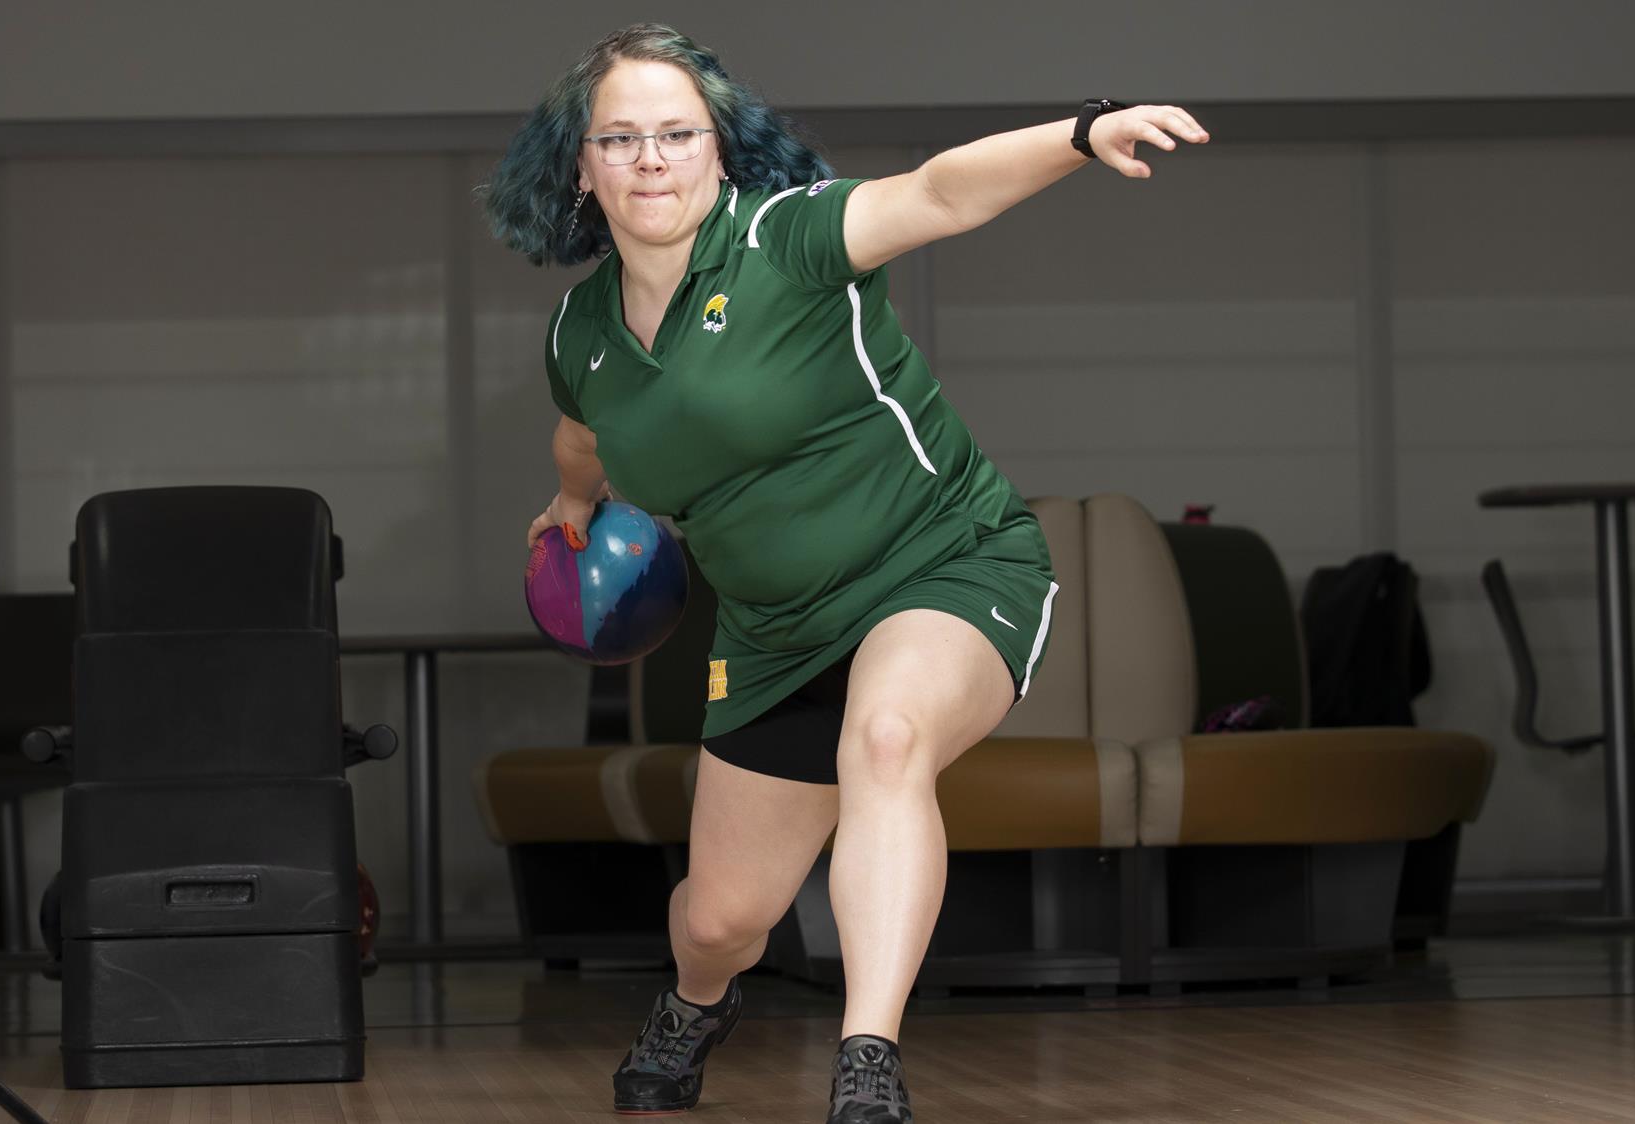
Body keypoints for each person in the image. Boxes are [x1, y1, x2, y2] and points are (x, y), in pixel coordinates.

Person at [485, 24, 1207, 1124]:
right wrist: (574, 504)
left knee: (885, 737)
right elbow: (584, 436)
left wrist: (1079, 130)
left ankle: (865, 1056)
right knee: (720, 918)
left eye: (675, 133)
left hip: (943, 564)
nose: (648, 158)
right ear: (578, 164)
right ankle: (694, 1000)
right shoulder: (578, 333)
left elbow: (941, 193)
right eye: (618, 138)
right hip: (774, 632)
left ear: (717, 147)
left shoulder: (788, 238)